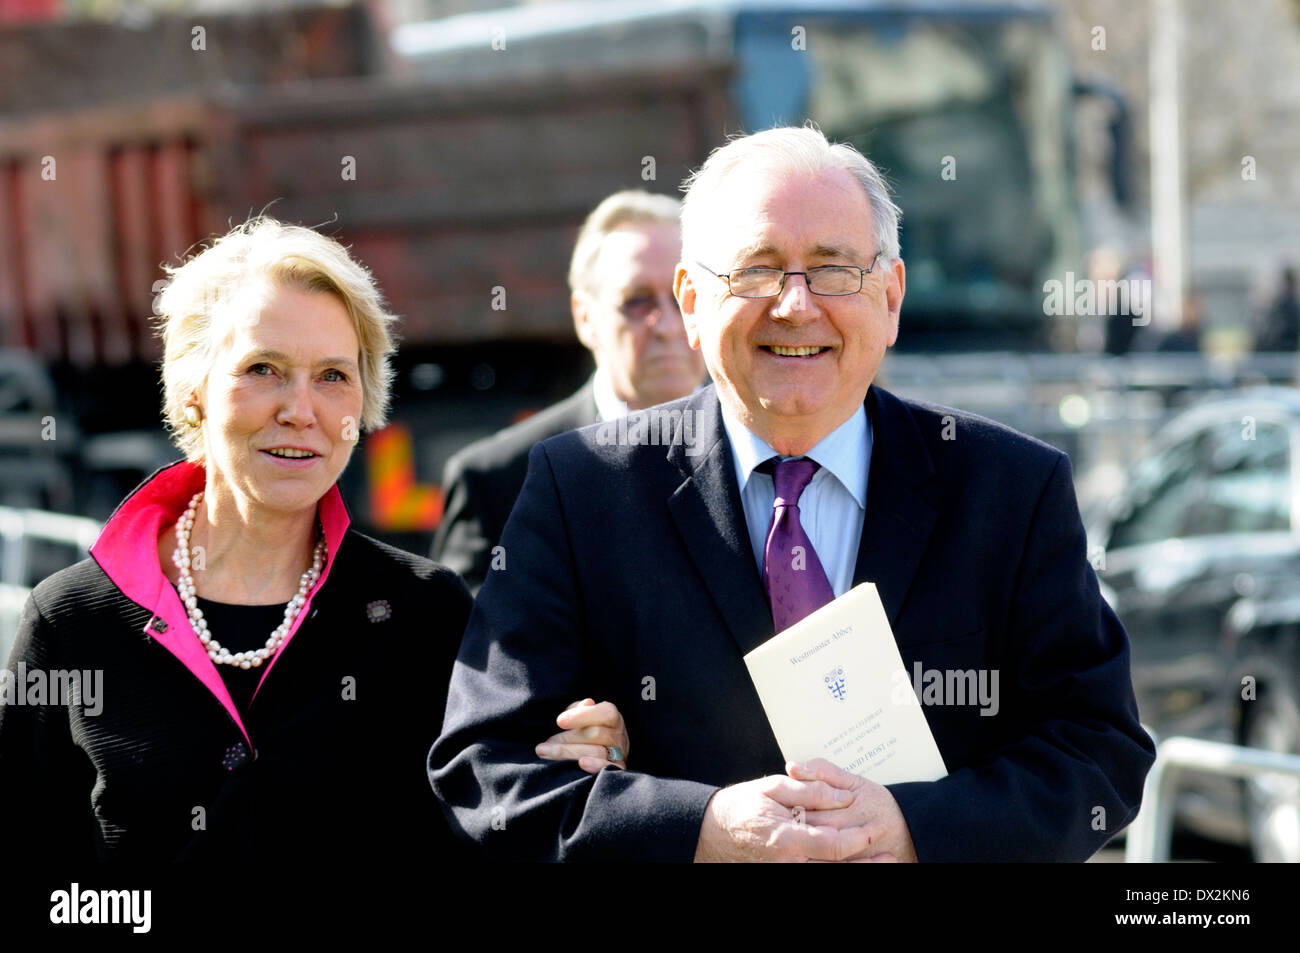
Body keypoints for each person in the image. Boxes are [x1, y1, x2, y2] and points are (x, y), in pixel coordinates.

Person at [430, 126, 1156, 862]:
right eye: (758, 269)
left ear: (892, 294)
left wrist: (912, 830)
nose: (796, 305)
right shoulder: (581, 487)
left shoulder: (1009, 489)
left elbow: (1101, 750)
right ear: (691, 299)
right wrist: (701, 828)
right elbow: (484, 769)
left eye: (834, 269)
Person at [0, 216, 624, 869]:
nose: (301, 408)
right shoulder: (69, 624)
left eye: (332, 376)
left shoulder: (424, 613)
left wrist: (576, 749)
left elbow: (493, 823)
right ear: (194, 390)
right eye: (263, 368)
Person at [432, 190, 707, 591]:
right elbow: (468, 646)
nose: (667, 325)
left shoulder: (774, 448)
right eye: (636, 301)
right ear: (585, 317)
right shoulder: (499, 482)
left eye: (686, 297)